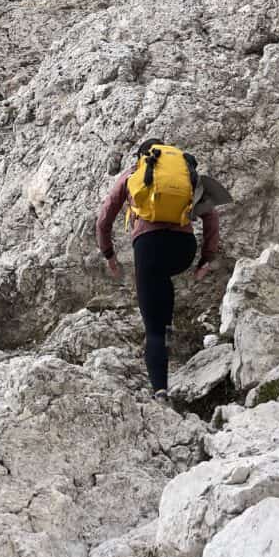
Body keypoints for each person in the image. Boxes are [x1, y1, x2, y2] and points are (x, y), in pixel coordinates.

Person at [96, 138, 220, 400]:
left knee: (153, 327)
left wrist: (109, 254)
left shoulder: (133, 174)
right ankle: (168, 328)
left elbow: (104, 218)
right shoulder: (185, 172)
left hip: (149, 248)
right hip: (183, 249)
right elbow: (211, 216)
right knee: (163, 281)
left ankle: (161, 391)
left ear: (141, 158)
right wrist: (205, 260)